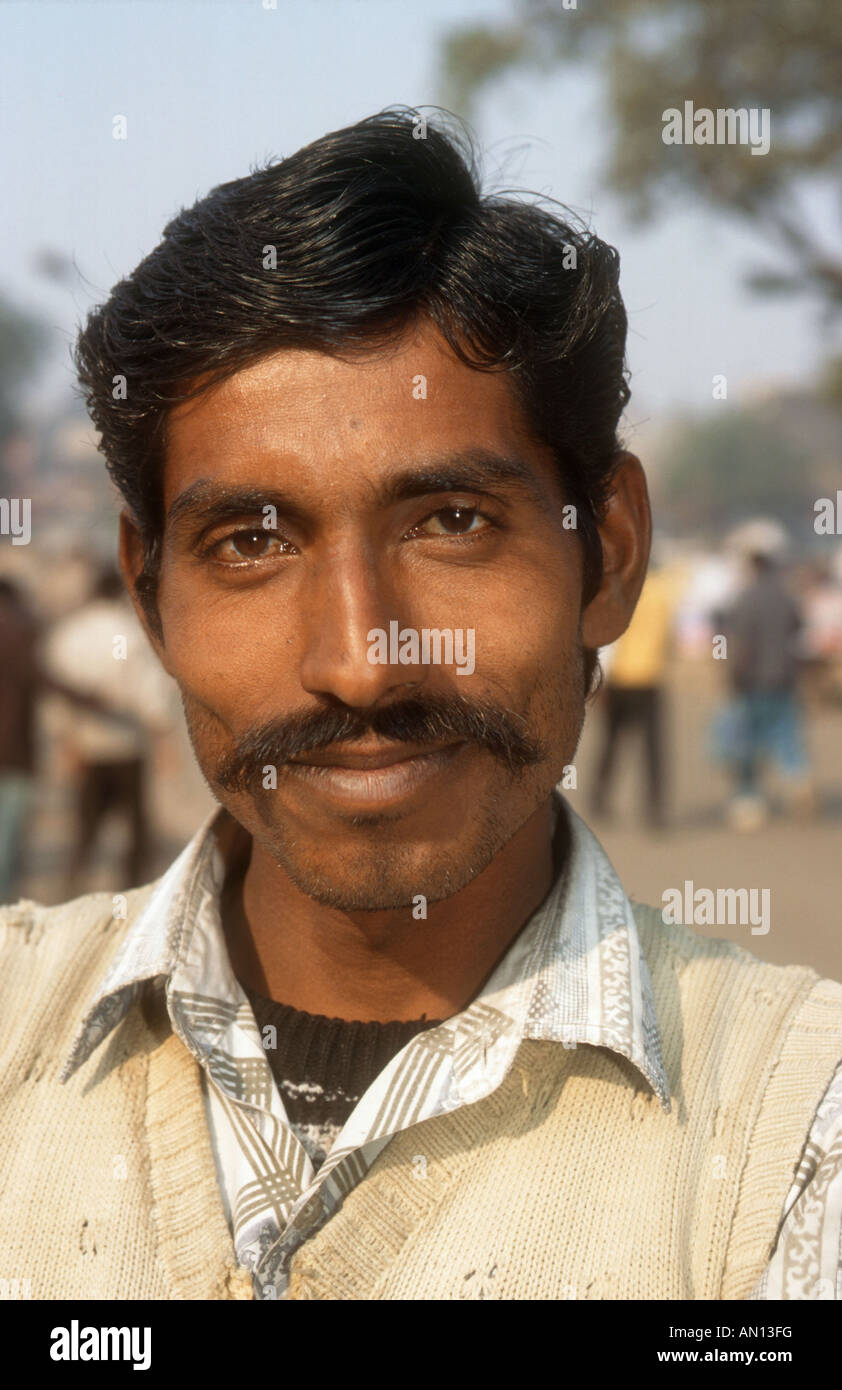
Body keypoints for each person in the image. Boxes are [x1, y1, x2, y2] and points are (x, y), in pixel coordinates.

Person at [0, 110, 840, 1301]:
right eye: (251, 539)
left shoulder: (790, 1136)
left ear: (604, 557)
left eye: (451, 523)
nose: (361, 661)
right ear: (150, 592)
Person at [44, 564, 174, 894]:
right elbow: (150, 692)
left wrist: (66, 743)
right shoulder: (129, 633)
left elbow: (57, 695)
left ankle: (73, 891)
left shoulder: (70, 634)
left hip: (87, 746)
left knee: (86, 827)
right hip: (127, 746)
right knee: (136, 829)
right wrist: (162, 740)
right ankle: (132, 893)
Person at [718, 547, 812, 830]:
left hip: (752, 681)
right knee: (786, 735)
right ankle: (797, 781)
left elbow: (741, 644)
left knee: (746, 742)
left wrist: (733, 677)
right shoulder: (787, 598)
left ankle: (749, 802)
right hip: (785, 678)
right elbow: (798, 629)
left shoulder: (745, 599)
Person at [591, 561, 677, 827]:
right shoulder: (664, 593)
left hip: (620, 679)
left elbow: (609, 639)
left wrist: (598, 679)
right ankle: (655, 807)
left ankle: (599, 798)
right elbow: (670, 637)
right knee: (653, 747)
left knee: (612, 743)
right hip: (650, 678)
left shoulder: (619, 593)